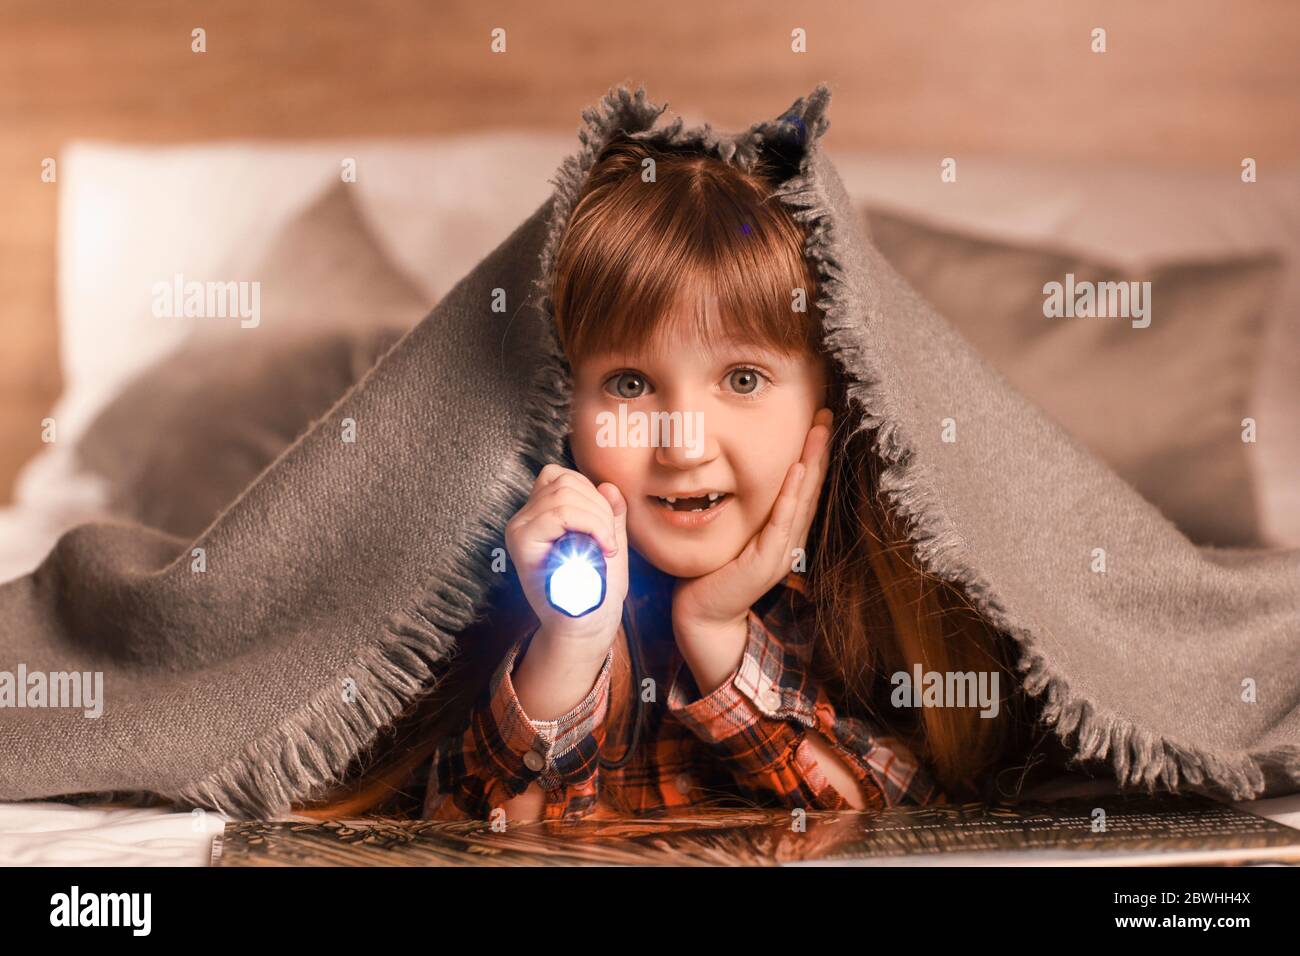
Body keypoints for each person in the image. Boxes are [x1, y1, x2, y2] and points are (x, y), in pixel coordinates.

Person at [291, 133, 1059, 823]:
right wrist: (571, 641)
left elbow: (905, 828)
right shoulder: (514, 581)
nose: (684, 446)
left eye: (745, 380)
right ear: (561, 404)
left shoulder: (871, 591)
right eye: (629, 385)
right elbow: (463, 836)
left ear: (828, 397)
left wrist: (717, 633)